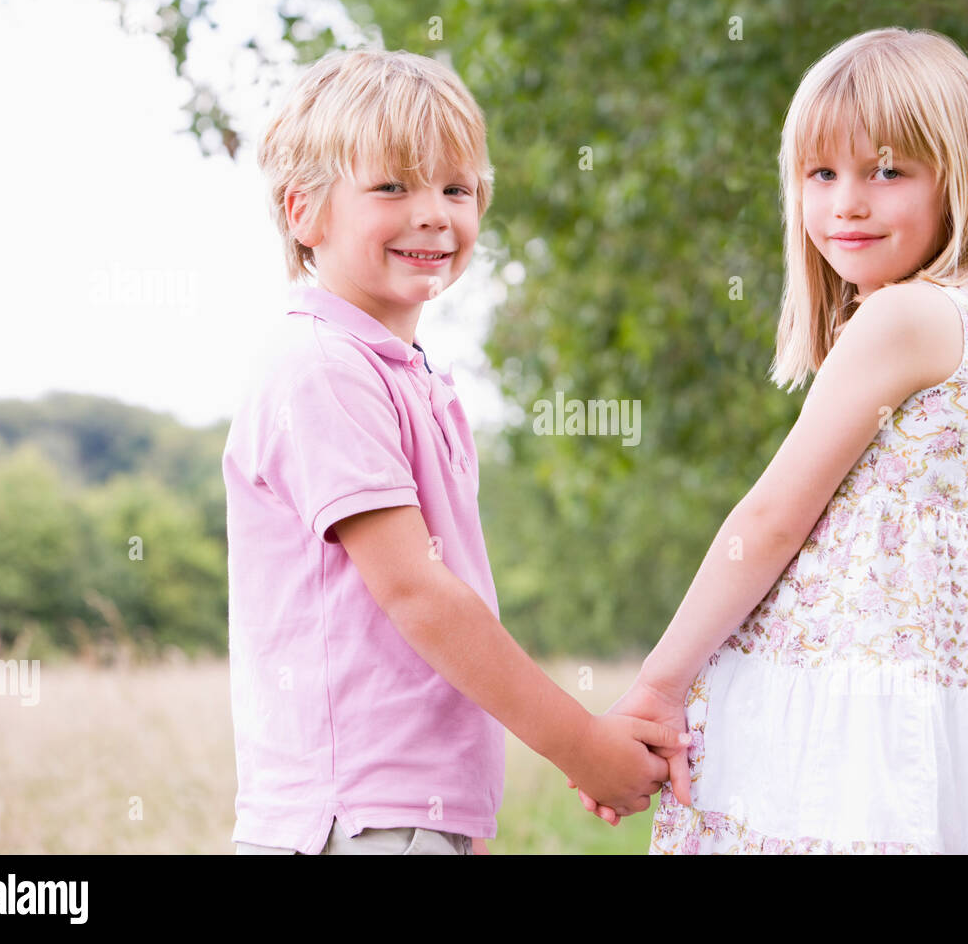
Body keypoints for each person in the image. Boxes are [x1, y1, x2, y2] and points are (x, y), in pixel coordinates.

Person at [570, 26, 968, 854]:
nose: (846, 203)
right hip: (896, 701)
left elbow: (773, 520)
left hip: (847, 714)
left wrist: (658, 682)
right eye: (821, 174)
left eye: (886, 171)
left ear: (960, 182)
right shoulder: (961, 322)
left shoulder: (902, 317)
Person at [223, 46, 687, 856]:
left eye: (456, 187)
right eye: (393, 186)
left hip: (413, 811)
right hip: (360, 815)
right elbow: (418, 593)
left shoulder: (406, 375)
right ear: (305, 212)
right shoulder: (321, 367)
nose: (434, 212)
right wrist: (583, 747)